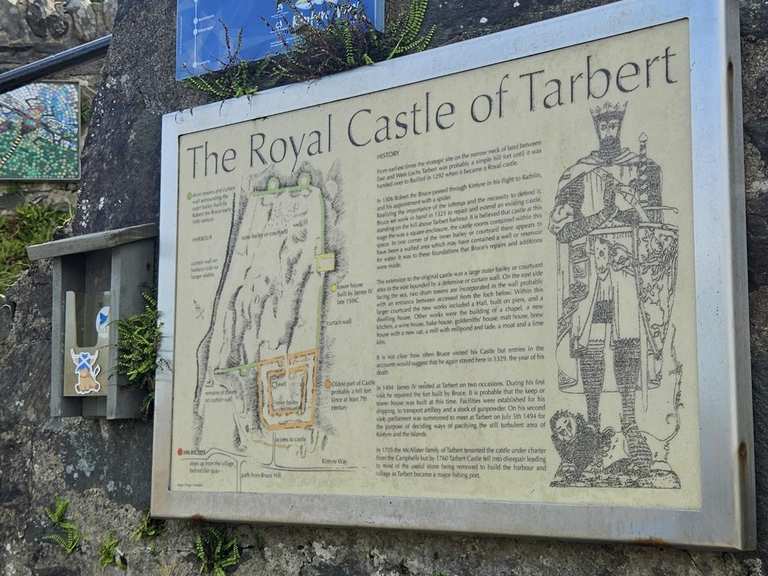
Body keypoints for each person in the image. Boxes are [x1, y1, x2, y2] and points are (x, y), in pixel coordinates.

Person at [549, 102, 662, 475]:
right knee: (593, 344)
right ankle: (593, 423)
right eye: (605, 124)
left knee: (627, 340)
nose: (610, 129)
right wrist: (604, 215)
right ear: (598, 127)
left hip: (625, 274)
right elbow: (564, 231)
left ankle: (629, 423)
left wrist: (634, 209)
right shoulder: (579, 177)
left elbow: (654, 228)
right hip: (591, 278)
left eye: (615, 122)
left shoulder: (642, 168)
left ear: (621, 124)